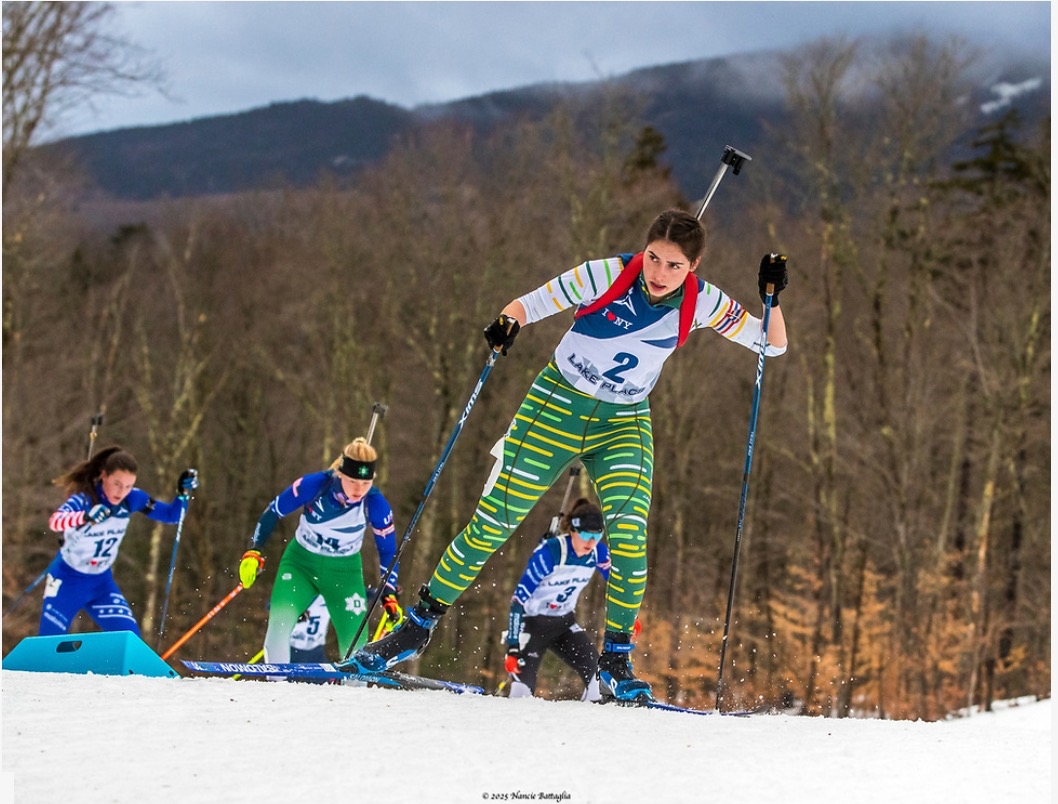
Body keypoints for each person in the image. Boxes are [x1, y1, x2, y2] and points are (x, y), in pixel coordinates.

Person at [348, 208, 789, 703]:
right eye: (653, 258)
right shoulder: (603, 274)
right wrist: (505, 325)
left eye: (674, 266)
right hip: (555, 407)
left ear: (695, 266)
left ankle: (616, 659)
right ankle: (416, 629)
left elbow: (771, 345)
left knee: (627, 535)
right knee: (493, 522)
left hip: (624, 424)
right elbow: (527, 305)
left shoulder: (701, 301)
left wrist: (771, 297)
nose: (660, 274)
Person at [238, 437, 402, 664]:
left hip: (345, 573)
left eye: (366, 484)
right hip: (301, 565)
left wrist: (390, 592)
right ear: (341, 474)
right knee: (279, 625)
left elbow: (388, 551)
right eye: (353, 482)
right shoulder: (315, 485)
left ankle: (356, 695)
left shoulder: (375, 504)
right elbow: (273, 511)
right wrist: (253, 551)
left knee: (356, 645)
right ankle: (276, 691)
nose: (359, 490)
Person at [41, 445, 198, 637]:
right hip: (67, 580)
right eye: (117, 483)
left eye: (128, 486)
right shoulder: (84, 499)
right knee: (49, 643)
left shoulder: (133, 499)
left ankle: (123, 668)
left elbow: (172, 516)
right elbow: (55, 522)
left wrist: (182, 494)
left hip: (101, 583)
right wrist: (85, 517)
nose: (121, 491)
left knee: (129, 639)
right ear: (104, 475)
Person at [505, 499, 610, 702]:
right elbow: (518, 600)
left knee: (599, 677)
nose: (591, 542)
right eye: (587, 535)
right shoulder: (550, 552)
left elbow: (615, 585)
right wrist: (512, 646)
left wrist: (628, 618)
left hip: (564, 625)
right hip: (532, 625)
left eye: (597, 535)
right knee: (520, 694)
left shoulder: (598, 552)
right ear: (573, 530)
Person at [288, 595, 331, 663]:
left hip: (316, 650)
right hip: (292, 648)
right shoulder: (302, 590)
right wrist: (295, 613)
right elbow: (275, 606)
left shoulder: (331, 594)